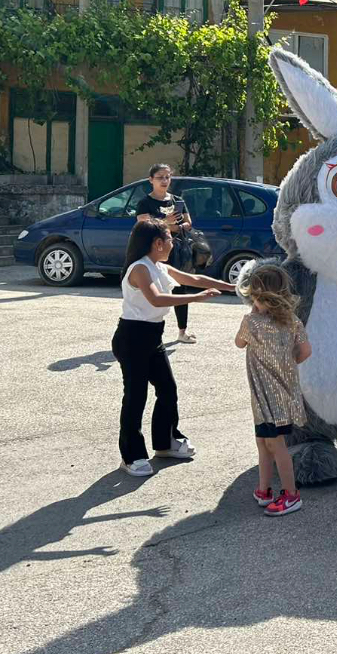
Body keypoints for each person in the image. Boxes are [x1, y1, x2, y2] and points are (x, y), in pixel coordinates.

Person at [112, 218, 234, 477]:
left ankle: (165, 444)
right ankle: (131, 456)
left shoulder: (159, 266)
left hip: (152, 336)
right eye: (169, 238)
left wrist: (231, 286)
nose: (172, 242)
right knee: (136, 397)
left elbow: (193, 277)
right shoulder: (140, 269)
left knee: (168, 390)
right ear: (157, 243)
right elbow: (156, 299)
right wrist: (197, 298)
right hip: (132, 337)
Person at [234, 263, 312, 517]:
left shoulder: (251, 322)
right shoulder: (292, 321)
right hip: (283, 395)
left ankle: (291, 494)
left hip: (266, 399)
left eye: (255, 297)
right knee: (266, 443)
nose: (253, 302)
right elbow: (305, 351)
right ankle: (264, 489)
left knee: (273, 444)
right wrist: (288, 364)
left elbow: (238, 343)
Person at [135, 163, 198, 345]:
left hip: (176, 249)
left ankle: (182, 332)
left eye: (167, 177)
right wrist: (165, 221)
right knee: (151, 290)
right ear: (151, 180)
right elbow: (143, 224)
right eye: (160, 177)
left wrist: (176, 226)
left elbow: (188, 223)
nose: (164, 181)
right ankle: (146, 332)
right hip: (153, 251)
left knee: (180, 288)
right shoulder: (145, 203)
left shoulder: (177, 200)